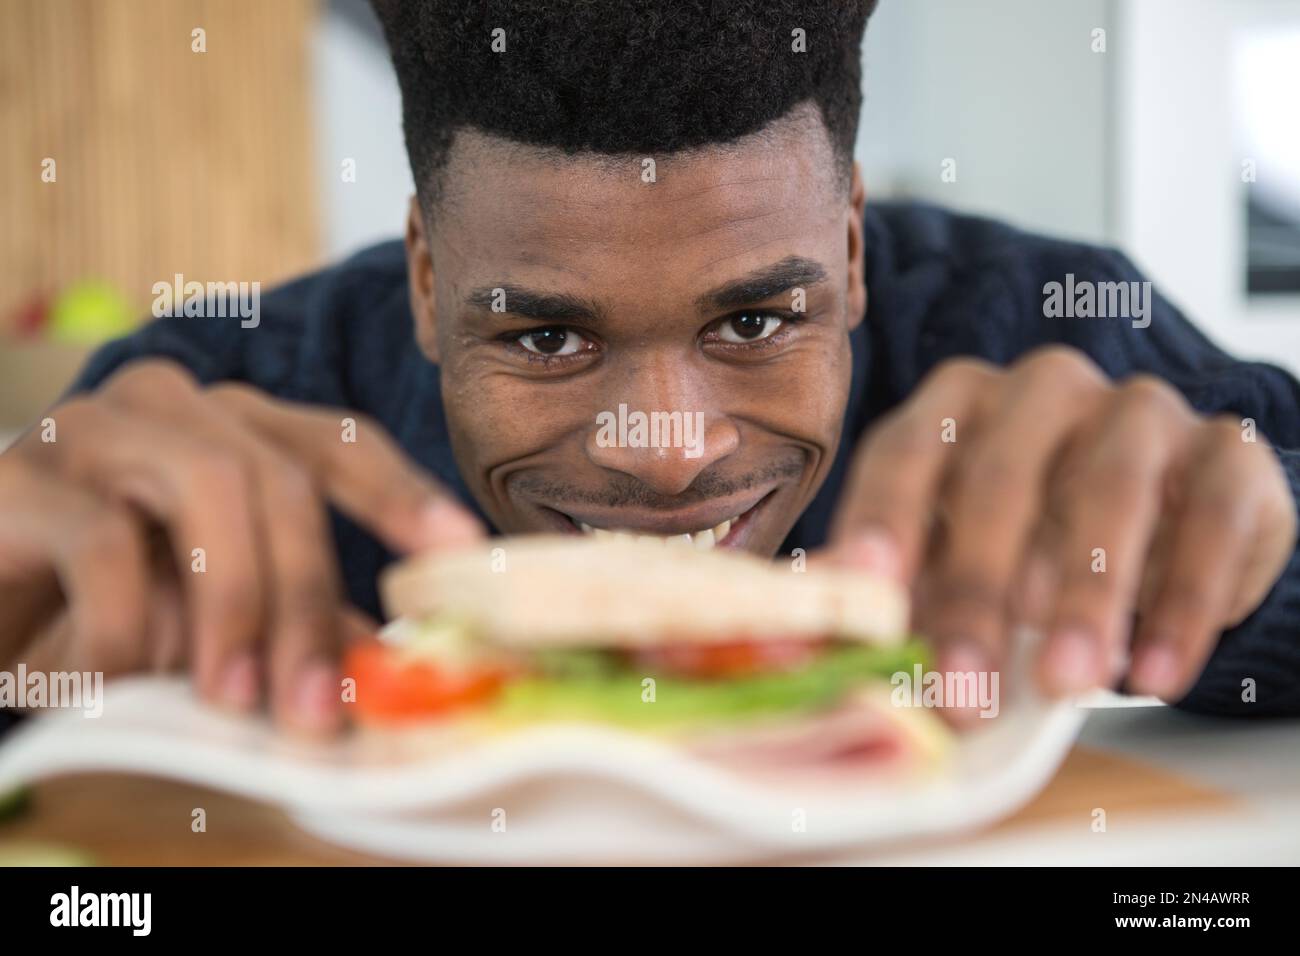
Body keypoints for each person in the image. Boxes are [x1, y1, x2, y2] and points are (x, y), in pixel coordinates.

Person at [2, 0, 1296, 736]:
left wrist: (1246, 565)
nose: (670, 451)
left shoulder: (1040, 327)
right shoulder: (234, 400)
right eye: (548, 338)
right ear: (427, 282)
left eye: (751, 324)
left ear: (849, 245)